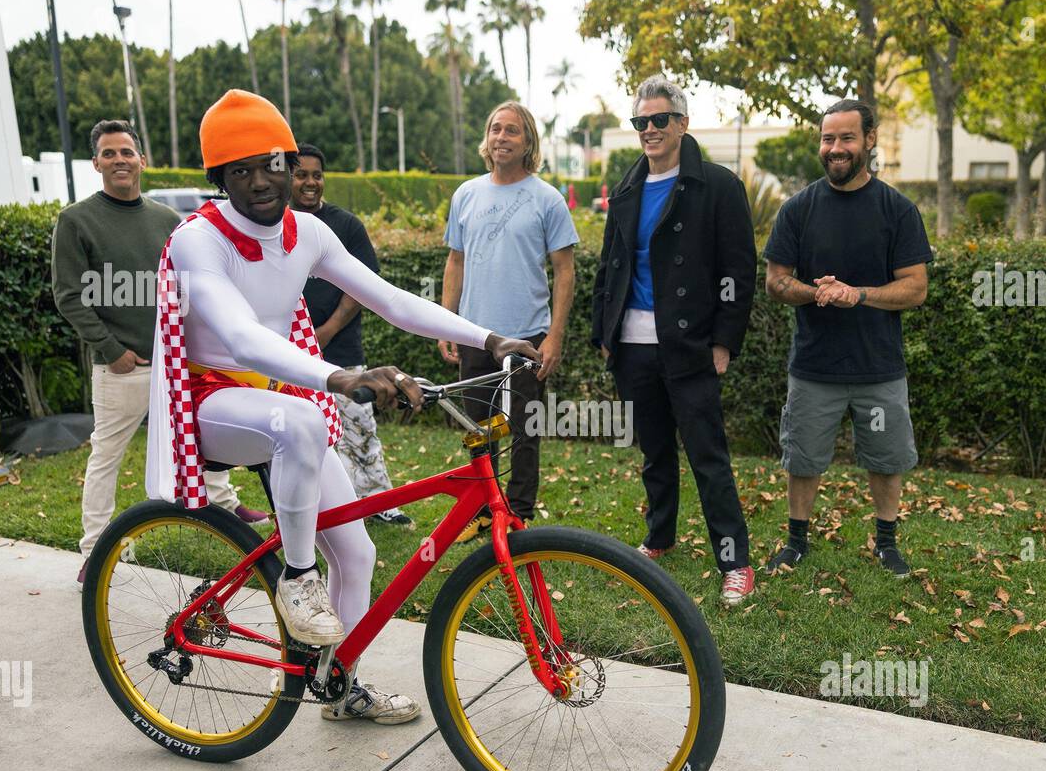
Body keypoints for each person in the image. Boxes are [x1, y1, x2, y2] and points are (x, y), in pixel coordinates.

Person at [144, 90, 540, 723]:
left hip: (279, 396)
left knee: (357, 554)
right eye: (237, 171)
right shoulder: (199, 241)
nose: (259, 182)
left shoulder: (309, 232)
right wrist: (341, 375)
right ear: (218, 181)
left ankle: (338, 684)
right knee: (300, 419)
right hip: (209, 401)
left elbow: (392, 301)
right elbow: (243, 338)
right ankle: (297, 579)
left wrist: (488, 338)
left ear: (288, 161)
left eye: (269, 164)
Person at [51, 119, 267, 588]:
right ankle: (94, 551)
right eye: (109, 154)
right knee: (106, 455)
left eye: (126, 152)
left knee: (201, 436)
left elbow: (194, 287)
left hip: (176, 363)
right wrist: (112, 352)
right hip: (121, 368)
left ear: (141, 160)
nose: (119, 160)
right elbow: (69, 295)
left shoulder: (168, 221)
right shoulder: (75, 221)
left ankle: (226, 505)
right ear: (96, 164)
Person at [590, 76, 756, 606]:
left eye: (660, 120)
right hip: (633, 344)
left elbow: (738, 271)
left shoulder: (717, 186)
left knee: (708, 456)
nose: (650, 130)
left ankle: (735, 561)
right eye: (641, 122)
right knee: (654, 452)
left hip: (689, 345)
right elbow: (609, 266)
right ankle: (660, 536)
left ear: (682, 124)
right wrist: (604, 332)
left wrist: (725, 340)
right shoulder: (627, 188)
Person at [762, 98, 932, 579]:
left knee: (886, 457)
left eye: (846, 138)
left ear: (869, 140)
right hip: (815, 366)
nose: (835, 148)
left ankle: (886, 543)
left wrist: (856, 295)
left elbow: (915, 288)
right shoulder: (798, 209)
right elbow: (776, 281)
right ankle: (796, 541)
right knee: (804, 458)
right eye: (828, 138)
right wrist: (816, 292)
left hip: (879, 367)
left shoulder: (897, 210)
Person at [437, 101, 578, 542]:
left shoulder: (547, 199)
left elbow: (565, 271)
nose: (501, 137)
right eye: (495, 128)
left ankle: (517, 514)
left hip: (527, 337)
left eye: (511, 131)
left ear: (527, 142)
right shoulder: (466, 194)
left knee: (523, 429)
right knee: (479, 430)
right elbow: (455, 261)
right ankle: (482, 510)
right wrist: (446, 322)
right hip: (476, 333)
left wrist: (554, 337)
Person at [290, 142, 410, 526]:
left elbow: (364, 286)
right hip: (289, 352)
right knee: (302, 436)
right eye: (301, 174)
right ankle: (321, 508)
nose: (310, 182)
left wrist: (324, 332)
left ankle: (380, 505)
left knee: (359, 427)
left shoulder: (345, 225)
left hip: (340, 346)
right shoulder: (275, 224)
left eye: (317, 175)